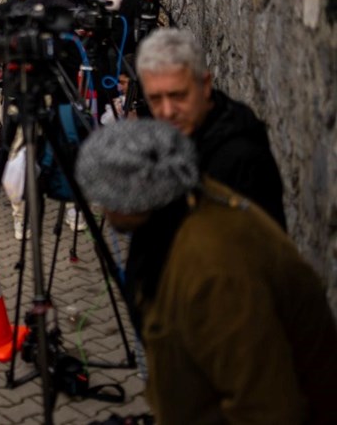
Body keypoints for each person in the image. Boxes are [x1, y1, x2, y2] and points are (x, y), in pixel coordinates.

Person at [75, 120, 337, 424]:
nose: (104, 210)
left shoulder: (213, 270)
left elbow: (266, 405)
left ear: (134, 199)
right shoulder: (188, 208)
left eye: (107, 198)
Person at [136, 29, 286, 227]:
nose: (167, 111)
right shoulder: (173, 137)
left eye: (178, 96)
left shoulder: (242, 159)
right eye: (155, 99)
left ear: (205, 85)